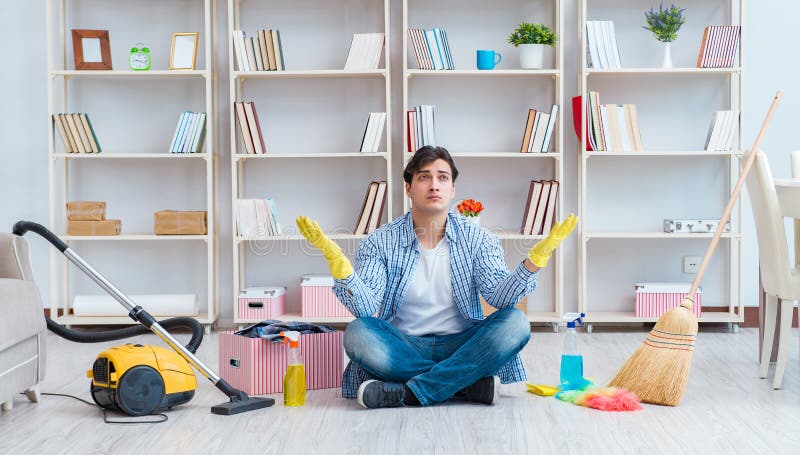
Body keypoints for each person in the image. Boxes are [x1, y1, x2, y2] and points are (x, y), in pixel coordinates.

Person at [296, 145, 577, 409]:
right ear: (408, 187)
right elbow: (366, 308)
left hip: (463, 344)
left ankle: (408, 393)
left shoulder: (478, 239)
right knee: (358, 333)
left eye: (442, 177)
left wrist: (533, 262)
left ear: (452, 189)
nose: (434, 185)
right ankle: (463, 386)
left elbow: (498, 297)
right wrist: (338, 264)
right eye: (424, 177)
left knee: (515, 323)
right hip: (404, 346)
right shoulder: (380, 241)